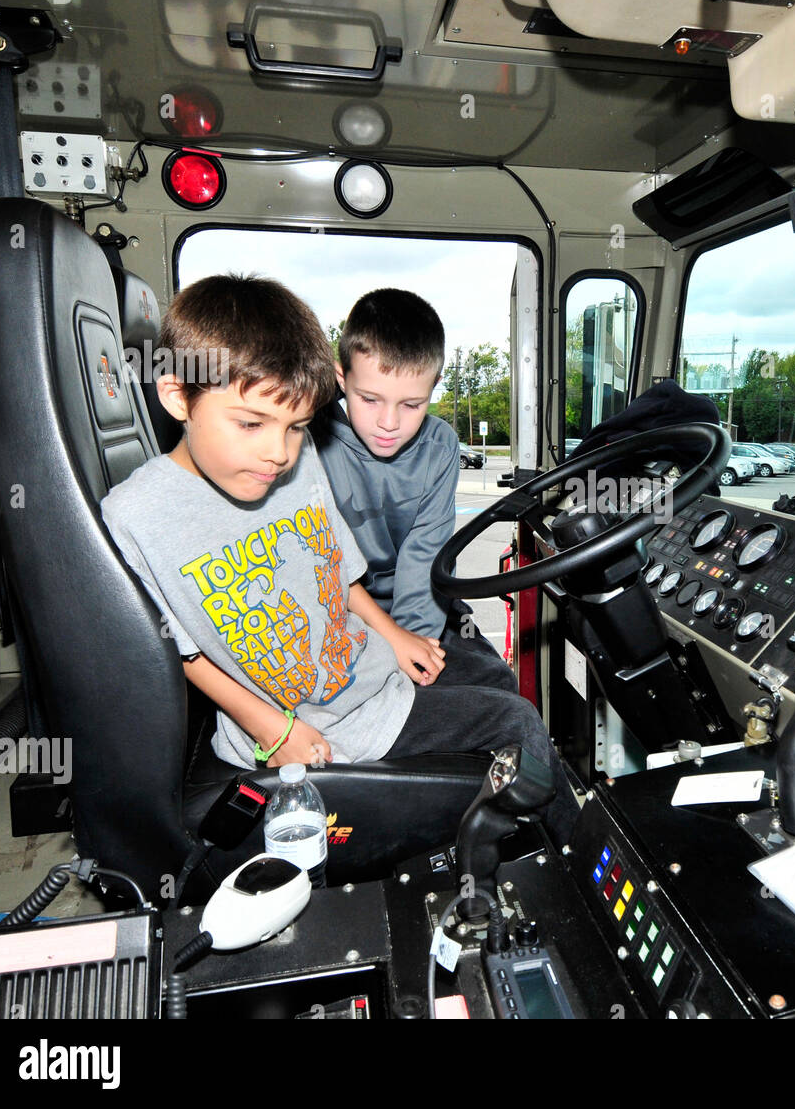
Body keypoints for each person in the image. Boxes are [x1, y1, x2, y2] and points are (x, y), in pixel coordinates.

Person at [100, 275, 577, 846]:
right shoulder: (135, 516)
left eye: (297, 426)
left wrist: (394, 635)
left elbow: (338, 573)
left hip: (360, 667)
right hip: (318, 718)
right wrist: (272, 731)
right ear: (179, 395)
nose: (278, 450)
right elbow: (177, 652)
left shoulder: (296, 464)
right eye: (251, 423)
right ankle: (578, 861)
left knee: (496, 675)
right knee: (517, 722)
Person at [314, 287, 520, 694]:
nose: (389, 422)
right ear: (342, 377)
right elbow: (321, 569)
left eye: (411, 405)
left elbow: (424, 560)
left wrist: (413, 650)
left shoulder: (440, 446)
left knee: (499, 686)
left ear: (435, 386)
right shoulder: (307, 440)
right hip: (334, 615)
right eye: (369, 399)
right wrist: (387, 650)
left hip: (421, 609)